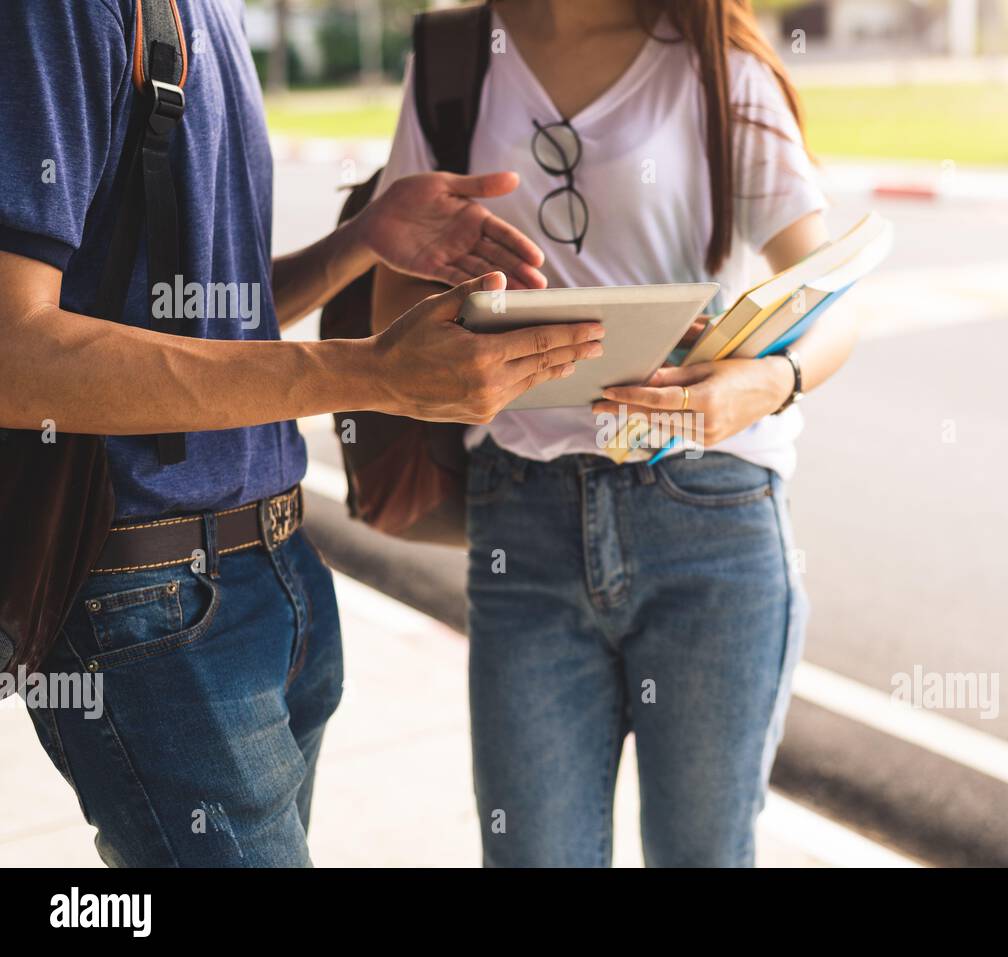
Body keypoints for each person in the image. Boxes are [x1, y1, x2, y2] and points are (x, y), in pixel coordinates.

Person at [0, 0, 602, 867]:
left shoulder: (218, 11)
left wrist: (358, 244)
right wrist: (371, 373)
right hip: (149, 596)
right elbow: (17, 355)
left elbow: (195, 320)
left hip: (276, 574)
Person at [372, 0, 867, 866]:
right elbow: (393, 302)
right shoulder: (454, 56)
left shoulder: (718, 66)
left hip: (710, 514)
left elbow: (831, 296)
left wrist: (768, 381)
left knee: (702, 855)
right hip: (519, 524)